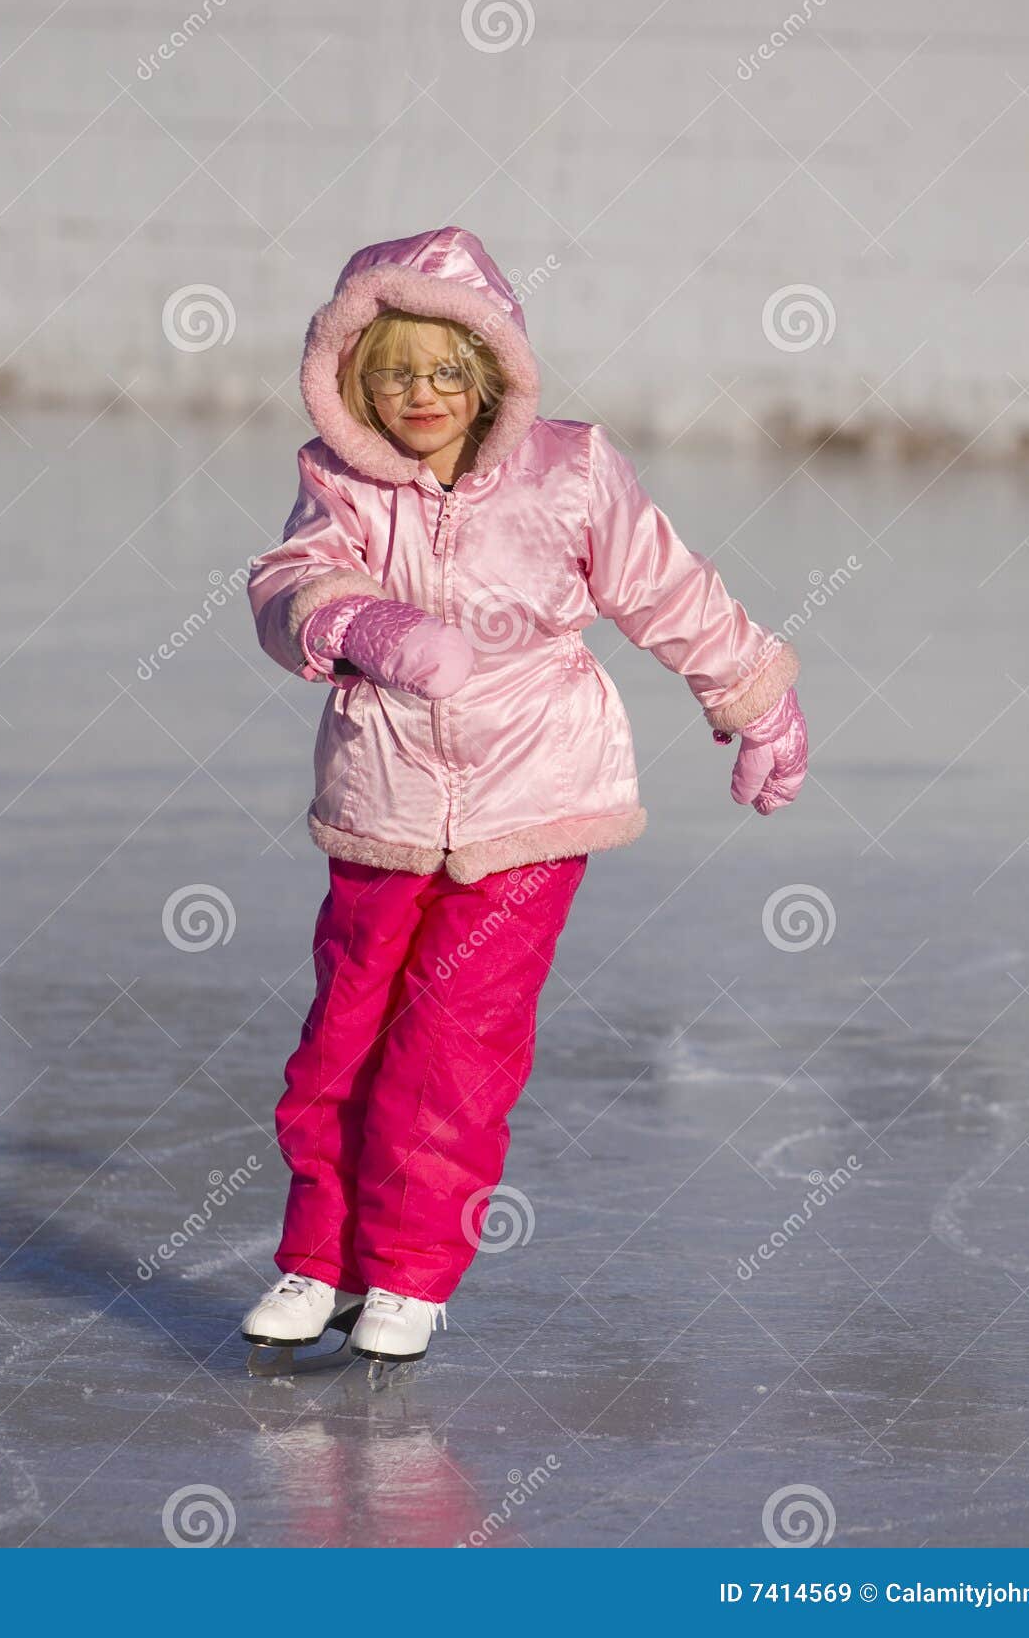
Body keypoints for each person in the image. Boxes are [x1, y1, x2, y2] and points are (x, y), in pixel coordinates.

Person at [241, 226, 808, 1367]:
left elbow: (668, 589)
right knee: (341, 1039)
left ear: (492, 370)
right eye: (395, 371)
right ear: (352, 374)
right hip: (385, 797)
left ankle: (408, 1273)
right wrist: (367, 624)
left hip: (535, 800)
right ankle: (319, 1259)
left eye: (449, 371)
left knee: (454, 1038)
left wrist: (755, 700)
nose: (423, 395)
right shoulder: (337, 477)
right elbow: (287, 584)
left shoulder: (571, 470)